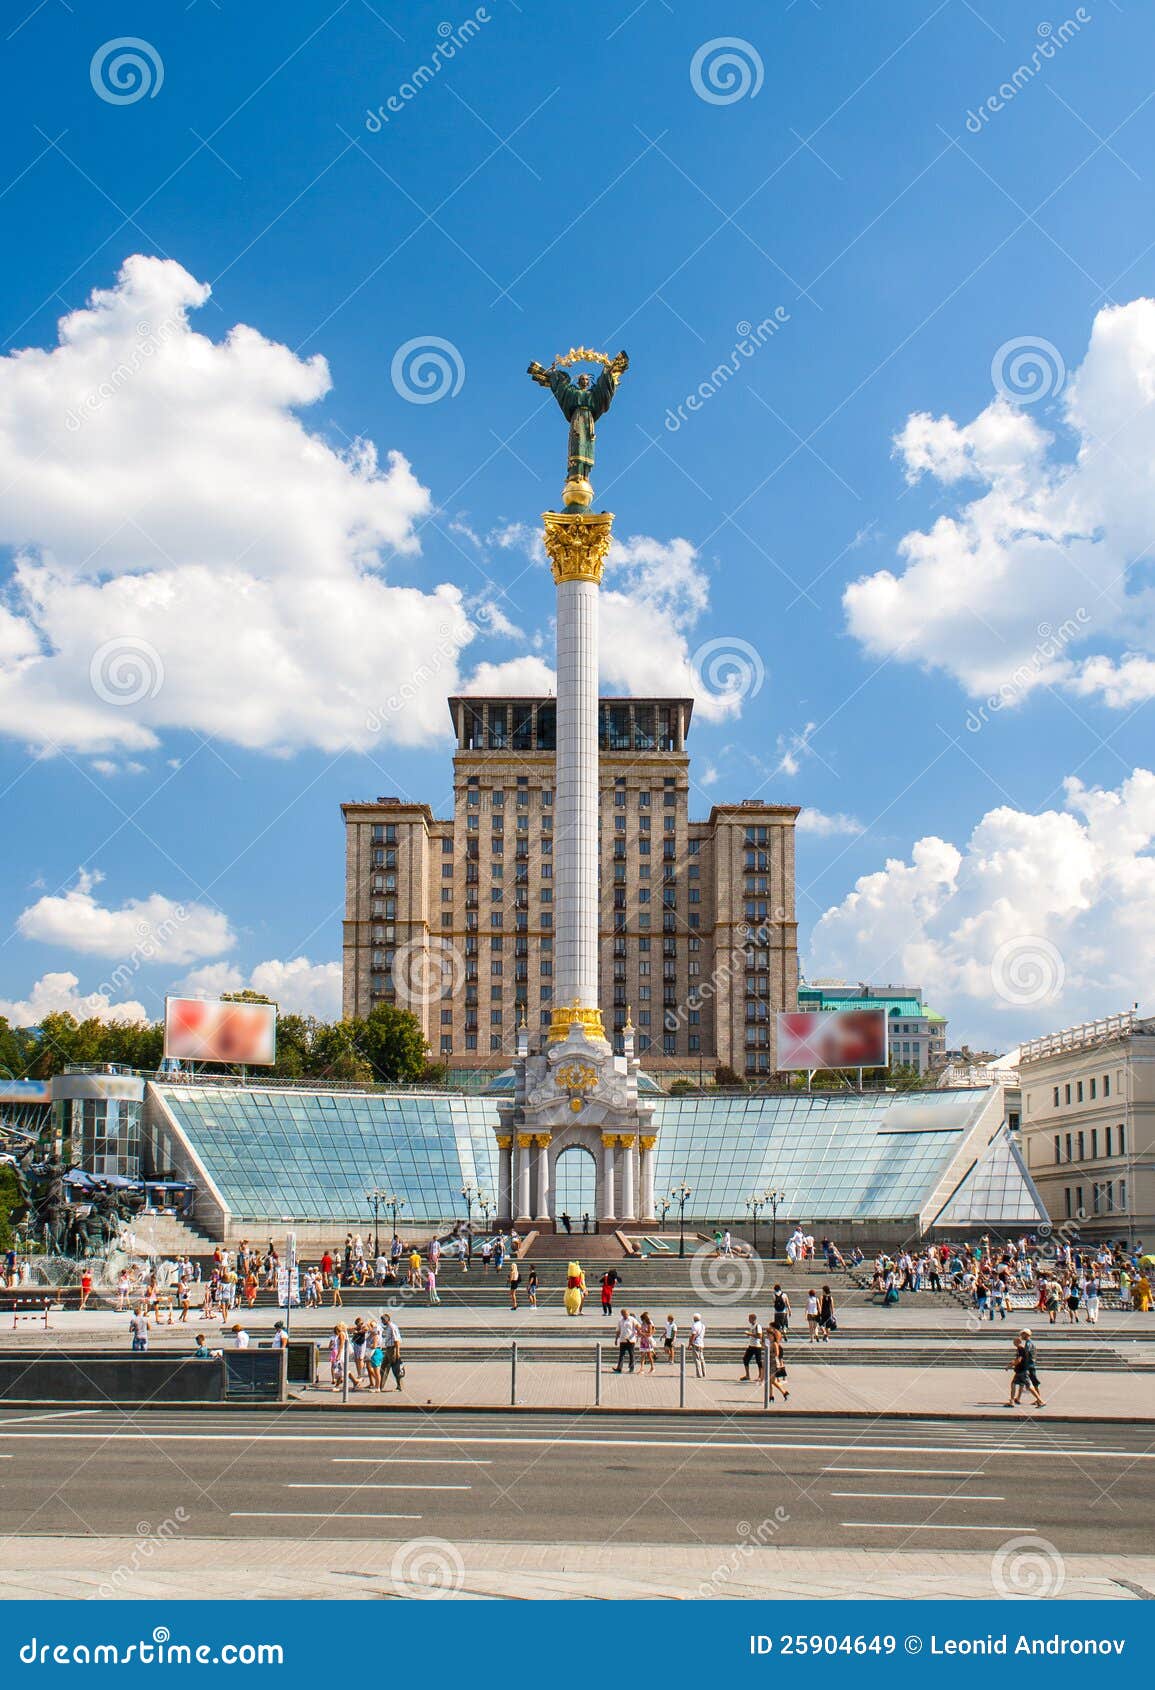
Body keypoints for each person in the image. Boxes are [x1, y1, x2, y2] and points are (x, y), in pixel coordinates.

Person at [1006, 1328, 1045, 1408]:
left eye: (1022, 1334)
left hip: (1027, 1367)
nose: (1021, 1336)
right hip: (1024, 1368)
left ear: (1026, 1334)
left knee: (1032, 1384)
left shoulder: (1027, 1345)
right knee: (1017, 1384)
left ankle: (1040, 1400)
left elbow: (1022, 1358)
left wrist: (1011, 1364)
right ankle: (1014, 1400)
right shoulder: (1025, 1345)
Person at [380, 1310, 403, 1392]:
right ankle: (380, 1386)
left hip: (392, 1349)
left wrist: (397, 1353)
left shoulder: (392, 1327)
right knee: (383, 1367)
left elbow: (397, 1340)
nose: (382, 1322)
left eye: (383, 1320)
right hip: (388, 1349)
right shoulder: (389, 1327)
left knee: (395, 1368)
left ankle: (400, 1386)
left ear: (386, 1320)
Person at [740, 1312, 764, 1382]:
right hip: (751, 1345)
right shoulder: (752, 1326)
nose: (748, 1320)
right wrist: (749, 1334)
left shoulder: (758, 1326)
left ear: (753, 1319)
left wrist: (749, 1334)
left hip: (757, 1346)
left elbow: (759, 1336)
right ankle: (747, 1375)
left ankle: (760, 1376)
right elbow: (753, 1335)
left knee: (758, 1361)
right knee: (745, 1359)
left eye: (749, 1318)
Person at [614, 1308, 637, 1373]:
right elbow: (618, 1330)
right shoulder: (620, 1320)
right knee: (621, 1355)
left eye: (626, 1314)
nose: (625, 1315)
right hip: (622, 1340)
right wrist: (616, 1339)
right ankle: (619, 1368)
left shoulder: (632, 1319)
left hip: (631, 1340)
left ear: (628, 1313)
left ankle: (631, 1368)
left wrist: (638, 1334)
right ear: (621, 1314)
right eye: (623, 1314)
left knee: (631, 1354)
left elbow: (638, 1326)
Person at [688, 1312, 706, 1378]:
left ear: (694, 1318)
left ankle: (699, 1374)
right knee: (702, 1359)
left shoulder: (694, 1325)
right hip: (701, 1343)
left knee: (697, 1359)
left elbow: (693, 1335)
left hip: (696, 1343)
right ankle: (704, 1373)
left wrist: (690, 1344)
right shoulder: (703, 1326)